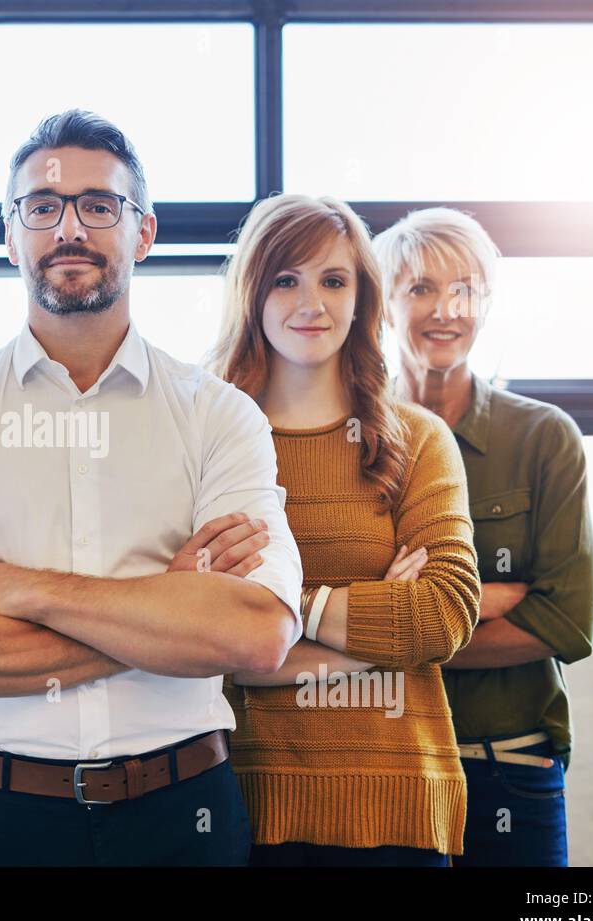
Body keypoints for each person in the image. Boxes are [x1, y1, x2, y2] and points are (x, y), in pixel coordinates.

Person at [0, 109, 304, 867]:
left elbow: (254, 632)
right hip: (1, 823)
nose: (70, 227)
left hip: (183, 815)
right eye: (42, 207)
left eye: (99, 205)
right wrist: (165, 603)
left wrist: (18, 590)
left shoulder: (218, 415)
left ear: (143, 232)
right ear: (11, 235)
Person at [213, 193, 482, 866]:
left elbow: (444, 614)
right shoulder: (208, 444)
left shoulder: (417, 439)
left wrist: (282, 609)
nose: (313, 303)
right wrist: (374, 639)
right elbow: (203, 647)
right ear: (252, 293)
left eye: (334, 280)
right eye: (286, 279)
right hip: (246, 801)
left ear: (363, 296)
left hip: (399, 803)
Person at [375, 207, 593, 866]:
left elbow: (565, 622)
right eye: (419, 288)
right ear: (384, 305)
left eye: (465, 290)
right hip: (384, 767)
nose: (445, 309)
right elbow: (316, 605)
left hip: (509, 767)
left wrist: (396, 636)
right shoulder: (343, 439)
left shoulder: (544, 438)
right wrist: (489, 599)